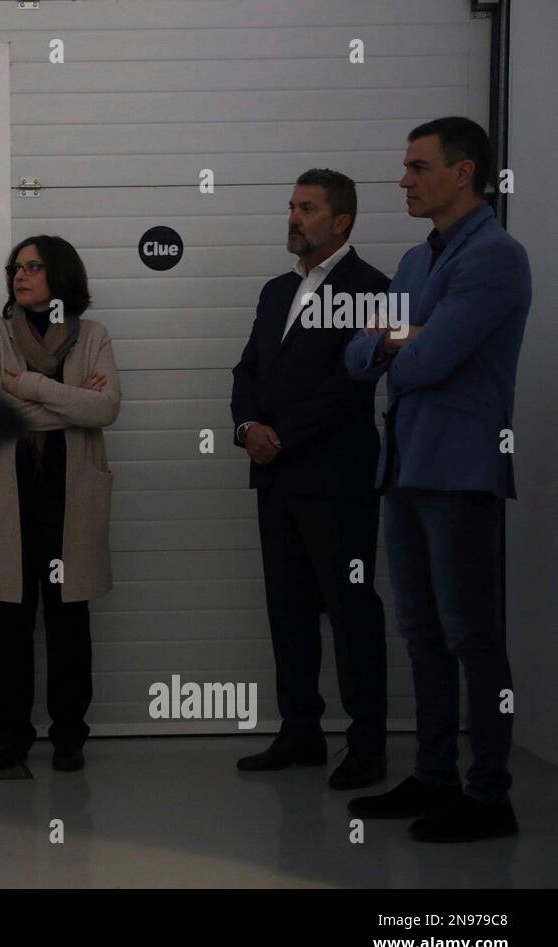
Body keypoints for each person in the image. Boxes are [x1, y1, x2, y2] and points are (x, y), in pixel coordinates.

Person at [344, 117, 530, 842]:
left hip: (460, 468)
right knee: (420, 632)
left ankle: (490, 795)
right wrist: (400, 340)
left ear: (464, 172)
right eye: (405, 166)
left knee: (470, 635)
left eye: (419, 167)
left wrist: (400, 344)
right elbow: (358, 358)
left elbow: (429, 362)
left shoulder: (497, 257)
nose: (404, 179)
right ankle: (432, 777)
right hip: (408, 465)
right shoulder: (418, 263)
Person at [230, 169, 390, 789]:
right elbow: (246, 370)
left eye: (307, 208)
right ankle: (300, 732)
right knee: (288, 610)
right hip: (274, 481)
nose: (293, 218)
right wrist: (247, 427)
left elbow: (353, 383)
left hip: (336, 480)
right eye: (291, 207)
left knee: (351, 612)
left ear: (341, 221)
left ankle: (368, 746)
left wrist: (282, 436)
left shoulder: (373, 287)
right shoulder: (276, 291)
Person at [0, 235, 120, 772]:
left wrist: (28, 385)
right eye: (16, 266)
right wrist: (71, 401)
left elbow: (106, 410)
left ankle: (68, 737)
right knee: (9, 625)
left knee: (67, 622)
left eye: (33, 266)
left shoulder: (92, 334)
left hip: (69, 498)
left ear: (59, 274)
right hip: (8, 498)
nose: (21, 274)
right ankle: (12, 737)